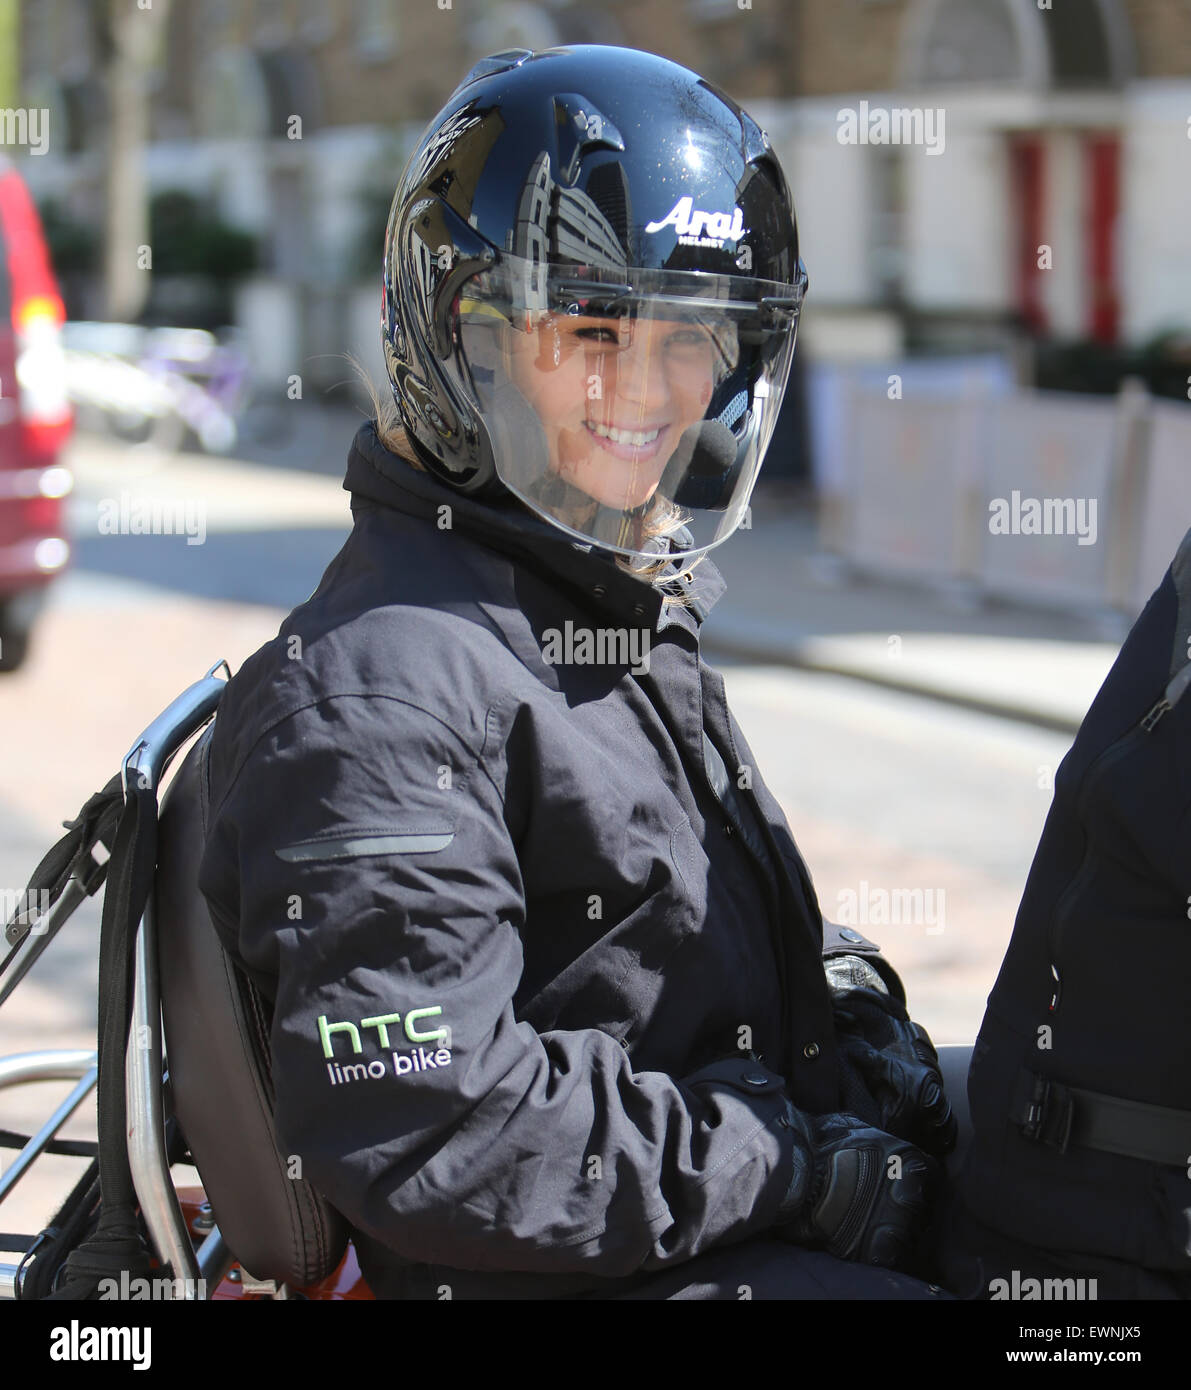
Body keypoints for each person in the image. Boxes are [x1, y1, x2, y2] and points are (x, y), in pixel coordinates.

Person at [197, 44, 957, 1300]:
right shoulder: (382, 695)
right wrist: (779, 1161)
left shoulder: (587, 600)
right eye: (591, 329)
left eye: (693, 338)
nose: (647, 394)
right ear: (464, 337)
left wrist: (821, 998)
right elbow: (439, 1132)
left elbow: (619, 955)